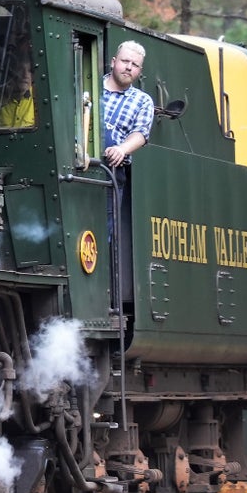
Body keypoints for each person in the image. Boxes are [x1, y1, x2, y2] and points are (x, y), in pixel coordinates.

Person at [102, 40, 153, 314]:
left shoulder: (142, 101)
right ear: (113, 61)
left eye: (134, 65)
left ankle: (99, 292)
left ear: (139, 71)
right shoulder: (90, 87)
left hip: (111, 171)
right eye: (125, 62)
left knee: (103, 233)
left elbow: (141, 134)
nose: (128, 67)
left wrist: (121, 149)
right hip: (79, 164)